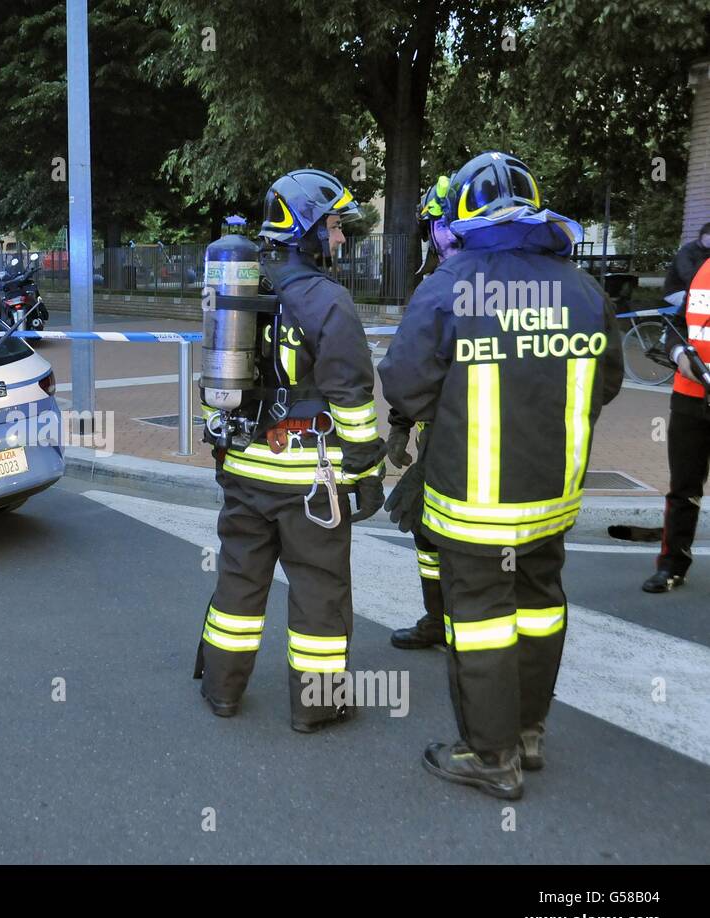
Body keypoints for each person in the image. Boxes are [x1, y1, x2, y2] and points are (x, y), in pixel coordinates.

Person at [380, 152, 625, 799]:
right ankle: (529, 733)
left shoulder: (452, 284)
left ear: (462, 217)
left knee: (483, 616)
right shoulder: (582, 289)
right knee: (541, 605)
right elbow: (611, 381)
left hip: (475, 503)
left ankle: (492, 757)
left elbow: (404, 382)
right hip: (553, 498)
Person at [194, 168, 386, 733]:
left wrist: (223, 449)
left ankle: (221, 690)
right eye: (333, 226)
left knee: (238, 580)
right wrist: (367, 469)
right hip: (312, 479)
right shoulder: (328, 301)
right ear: (304, 229)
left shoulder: (235, 286)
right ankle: (317, 706)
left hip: (245, 469)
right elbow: (351, 396)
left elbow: (214, 378)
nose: (341, 238)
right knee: (319, 590)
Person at [387, 177, 461, 650]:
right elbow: (416, 364)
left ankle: (462, 628)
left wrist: (400, 426)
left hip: (455, 439)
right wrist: (400, 427)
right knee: (428, 531)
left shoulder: (440, 287)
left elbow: (408, 369)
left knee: (446, 532)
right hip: (482, 435)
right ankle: (442, 620)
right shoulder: (520, 281)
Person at [642, 222, 710, 593]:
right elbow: (677, 326)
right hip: (689, 394)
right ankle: (672, 566)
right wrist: (679, 352)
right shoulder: (699, 265)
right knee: (683, 487)